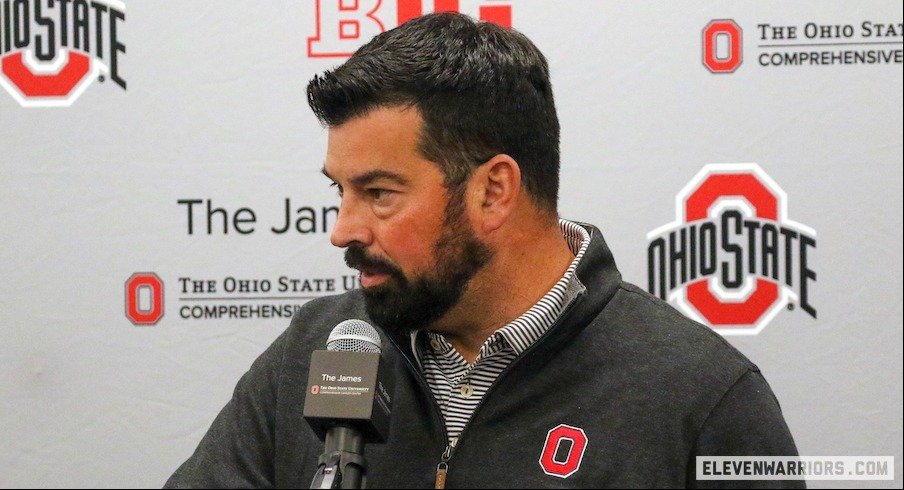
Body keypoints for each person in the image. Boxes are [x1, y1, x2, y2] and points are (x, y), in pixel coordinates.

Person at [165, 13, 802, 488]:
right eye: (340, 191)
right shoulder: (322, 347)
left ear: (493, 191)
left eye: (379, 193)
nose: (343, 230)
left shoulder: (701, 400)